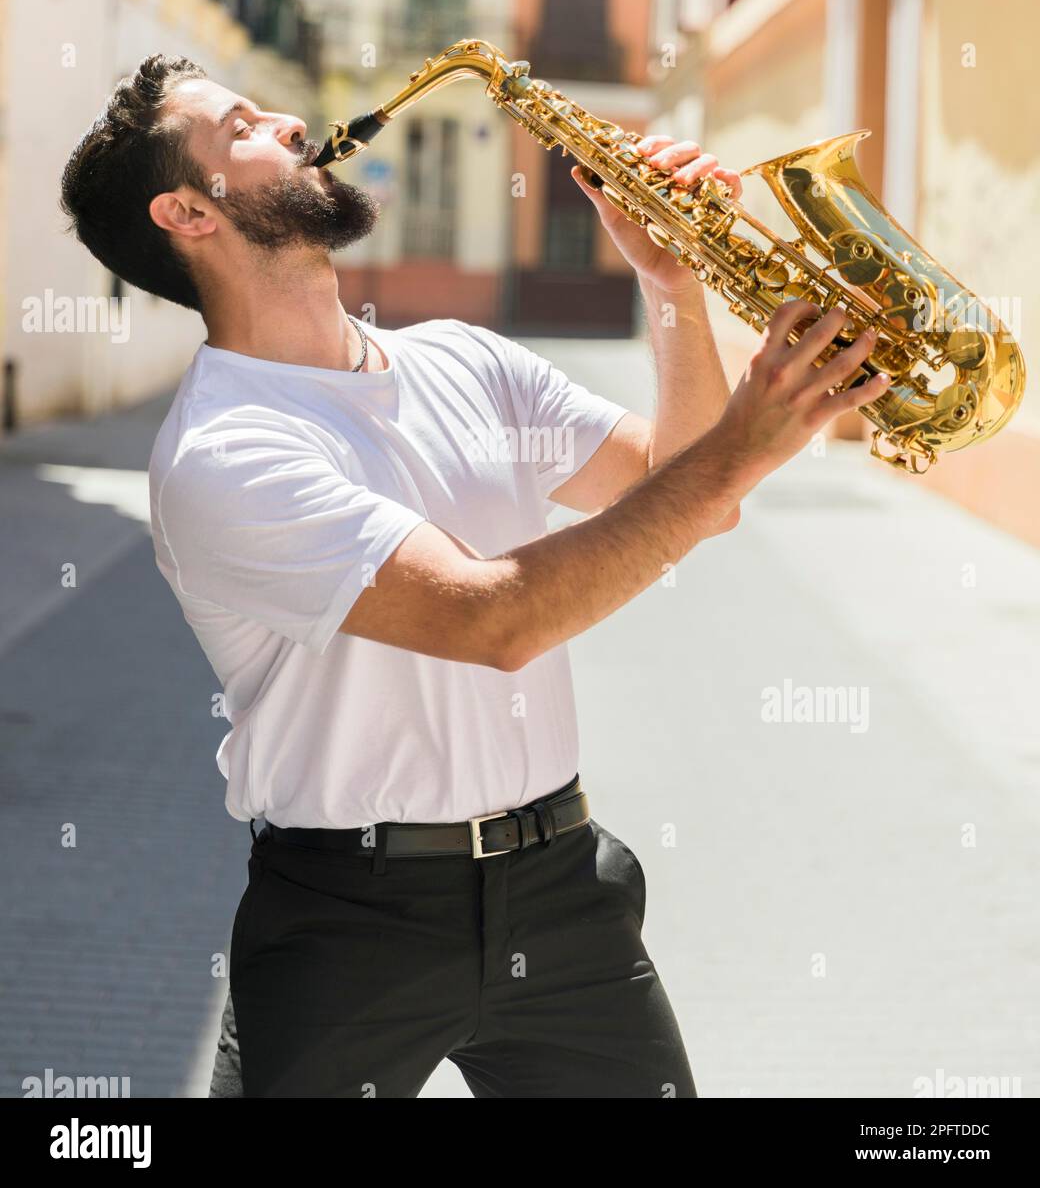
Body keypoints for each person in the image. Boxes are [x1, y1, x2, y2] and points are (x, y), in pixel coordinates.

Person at [59, 54, 890, 1099]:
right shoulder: (225, 449)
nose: (287, 117)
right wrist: (745, 439)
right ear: (188, 210)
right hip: (348, 919)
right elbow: (493, 619)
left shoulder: (465, 359)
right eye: (242, 125)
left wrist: (671, 287)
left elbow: (688, 496)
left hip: (558, 887)